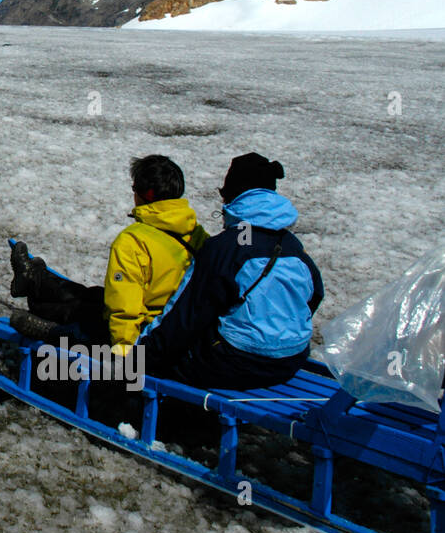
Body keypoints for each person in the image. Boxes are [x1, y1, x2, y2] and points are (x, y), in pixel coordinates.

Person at [139, 153, 324, 389]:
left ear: (233, 195)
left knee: (175, 359)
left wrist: (141, 357)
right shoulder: (290, 244)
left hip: (238, 363)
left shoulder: (226, 247)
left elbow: (186, 317)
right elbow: (315, 294)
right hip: (290, 360)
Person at [10, 155, 208, 350]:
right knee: (95, 297)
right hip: (173, 324)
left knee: (88, 314)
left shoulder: (134, 241)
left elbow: (124, 308)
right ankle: (34, 279)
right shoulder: (197, 234)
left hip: (144, 335)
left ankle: (48, 327)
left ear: (145, 194)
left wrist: (125, 353)